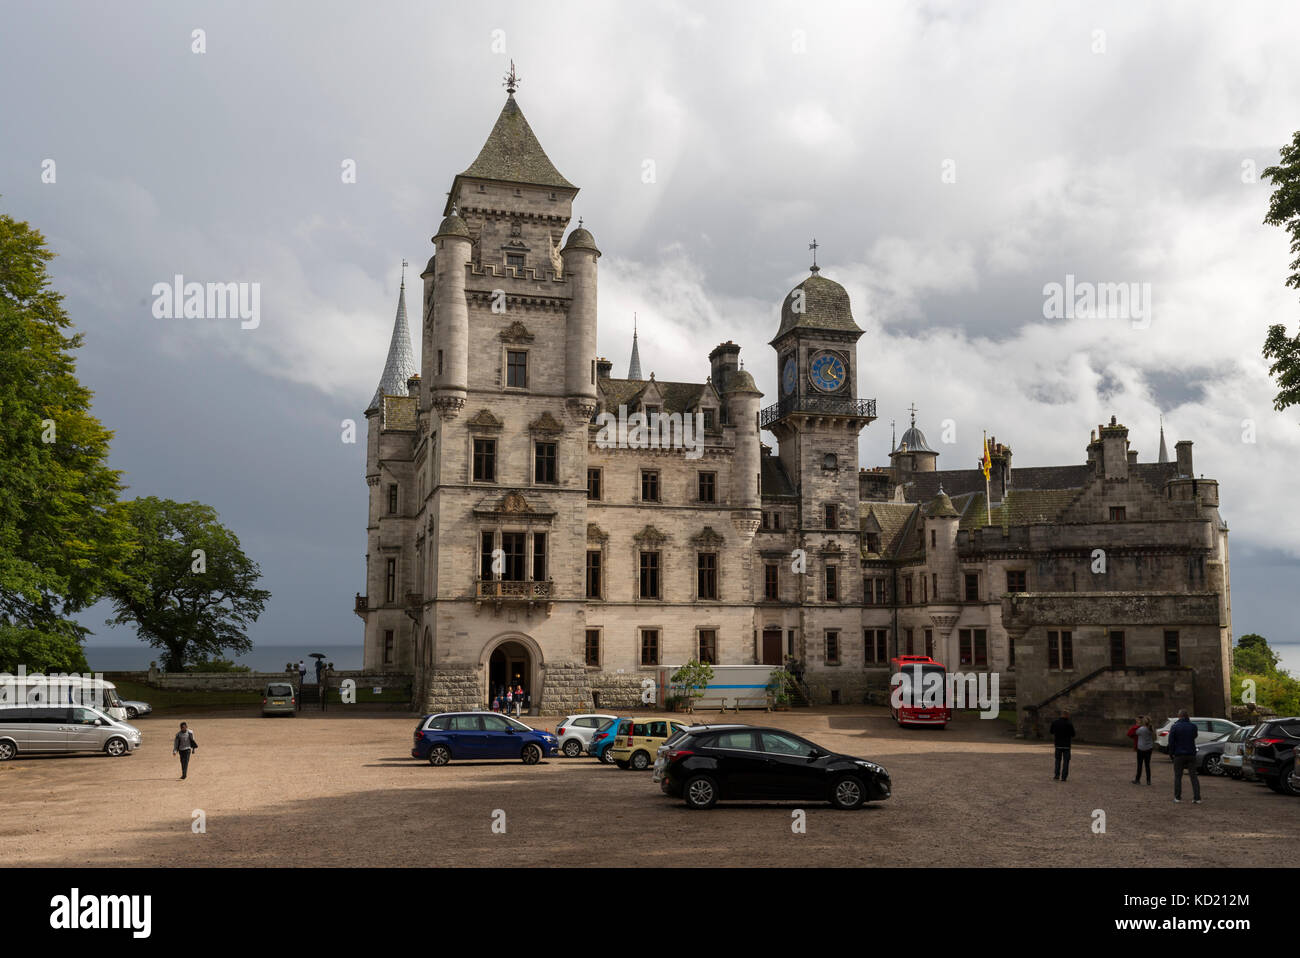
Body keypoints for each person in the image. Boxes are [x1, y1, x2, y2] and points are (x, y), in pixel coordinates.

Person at [1168, 709, 1201, 803]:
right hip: (1191, 753)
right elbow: (1195, 736)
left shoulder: (1174, 727)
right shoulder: (1193, 726)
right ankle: (1197, 797)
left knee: (1178, 776)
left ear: (1179, 716)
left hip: (1179, 754)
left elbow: (1171, 742)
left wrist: (1171, 753)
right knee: (1193, 776)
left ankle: (1177, 797)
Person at [1049, 709, 1075, 781]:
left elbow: (1051, 731)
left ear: (1061, 715)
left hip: (1058, 744)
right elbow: (1073, 734)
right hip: (1067, 745)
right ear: (1067, 715)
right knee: (1066, 762)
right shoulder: (1069, 724)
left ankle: (1056, 775)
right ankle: (1064, 777)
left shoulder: (1055, 722)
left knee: (1057, 760)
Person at [1128, 715, 1155, 785]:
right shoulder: (1151, 728)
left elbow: (1133, 733)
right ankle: (1148, 781)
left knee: (1139, 765)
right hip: (1149, 748)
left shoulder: (1141, 729)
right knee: (1147, 765)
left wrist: (1137, 724)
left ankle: (1137, 780)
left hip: (1141, 749)